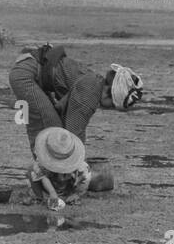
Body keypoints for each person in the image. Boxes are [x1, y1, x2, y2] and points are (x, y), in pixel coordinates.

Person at [9, 44, 142, 190]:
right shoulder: (90, 93)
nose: (107, 108)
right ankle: (45, 185)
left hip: (27, 70)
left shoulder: (94, 82)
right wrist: (80, 170)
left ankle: (49, 182)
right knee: (52, 133)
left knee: (53, 132)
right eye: (111, 105)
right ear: (109, 92)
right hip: (26, 76)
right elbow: (73, 135)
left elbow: (66, 115)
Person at [29, 127, 90, 209]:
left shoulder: (81, 166)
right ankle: (41, 197)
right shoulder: (42, 161)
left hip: (68, 187)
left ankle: (68, 196)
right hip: (50, 186)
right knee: (32, 170)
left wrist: (76, 194)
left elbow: (85, 177)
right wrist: (52, 192)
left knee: (84, 172)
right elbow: (41, 174)